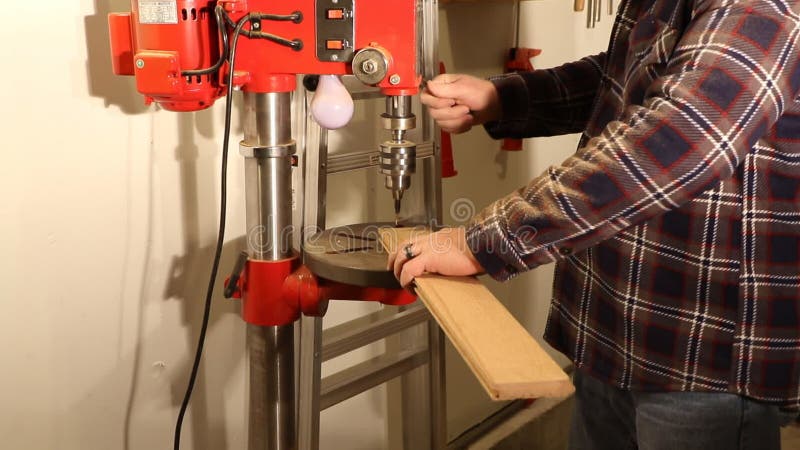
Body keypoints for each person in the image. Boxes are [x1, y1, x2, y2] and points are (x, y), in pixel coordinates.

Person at [387, 0, 800, 448]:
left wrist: (483, 243)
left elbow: (673, 139)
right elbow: (628, 78)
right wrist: (504, 98)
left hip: (698, 352)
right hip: (613, 325)